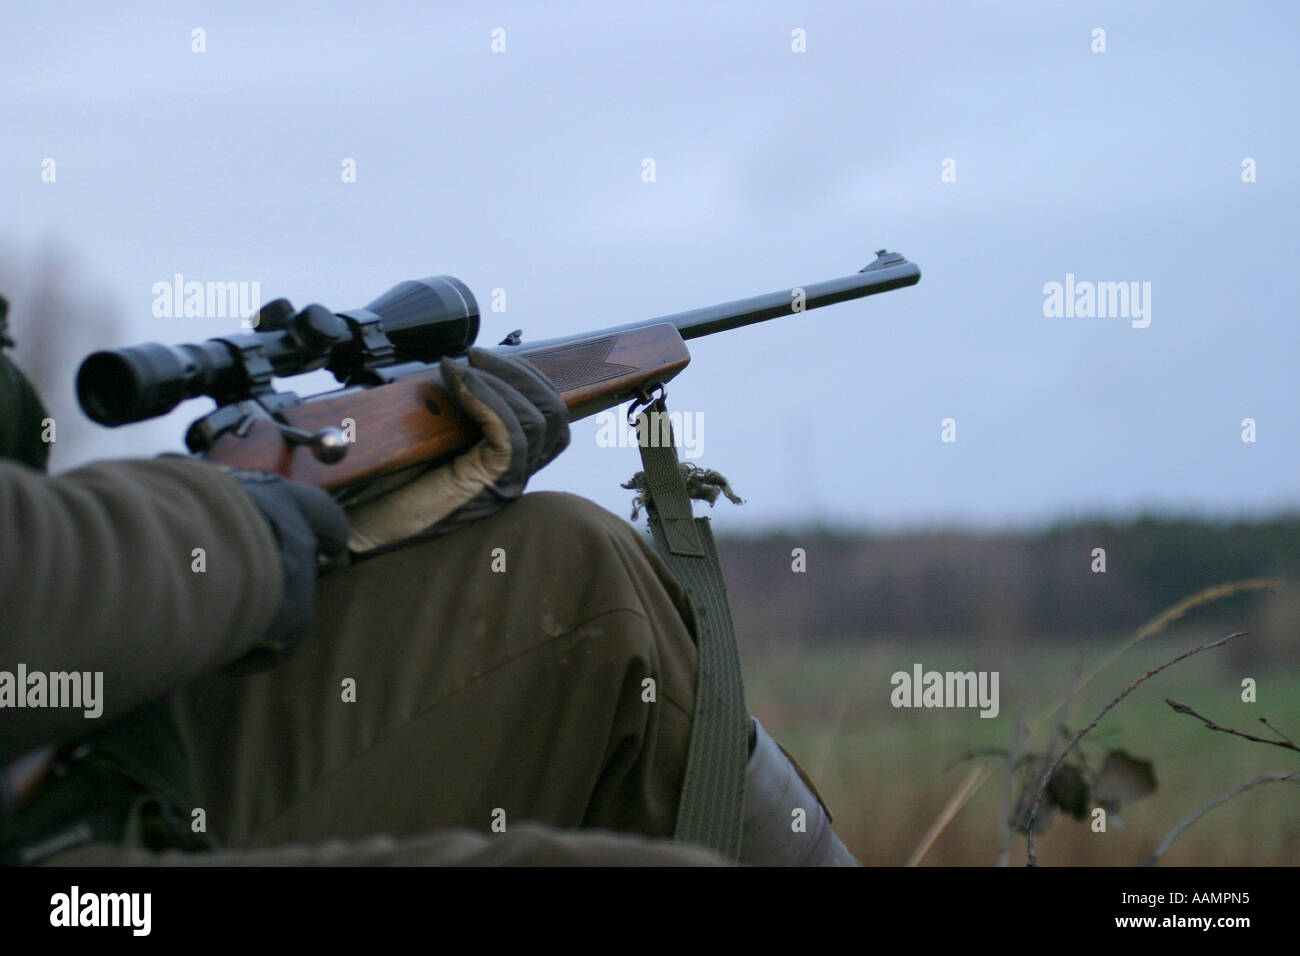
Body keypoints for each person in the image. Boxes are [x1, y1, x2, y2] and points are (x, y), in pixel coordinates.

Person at [0, 293, 855, 866]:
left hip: (93, 742)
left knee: (576, 566)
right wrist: (243, 526)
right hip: (61, 838)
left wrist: (328, 524)